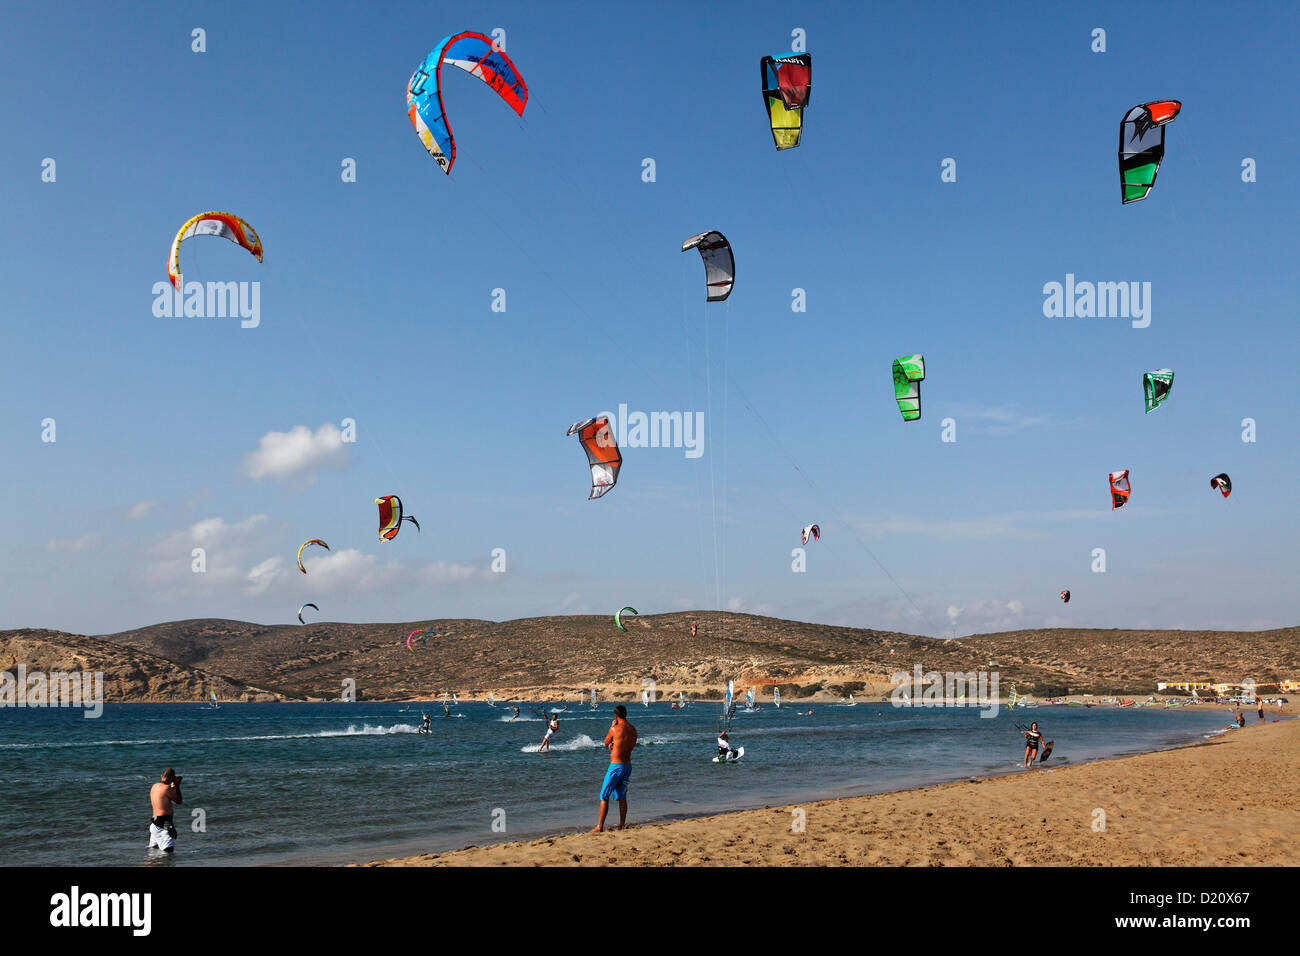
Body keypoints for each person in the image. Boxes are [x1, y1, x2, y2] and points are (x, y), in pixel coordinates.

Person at [594, 705, 637, 832]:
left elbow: (605, 742)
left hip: (616, 766)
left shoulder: (614, 728)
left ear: (616, 716)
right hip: (627, 766)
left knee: (604, 795)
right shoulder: (633, 729)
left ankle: (599, 826)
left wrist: (612, 726)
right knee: (622, 797)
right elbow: (625, 745)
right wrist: (615, 745)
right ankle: (621, 825)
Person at [148, 768, 183, 854]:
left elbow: (164, 795)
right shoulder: (167, 788)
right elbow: (179, 801)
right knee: (169, 852)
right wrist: (177, 786)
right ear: (172, 778)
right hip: (164, 823)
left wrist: (172, 787)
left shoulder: (154, 786)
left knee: (153, 853)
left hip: (154, 823)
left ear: (161, 776)